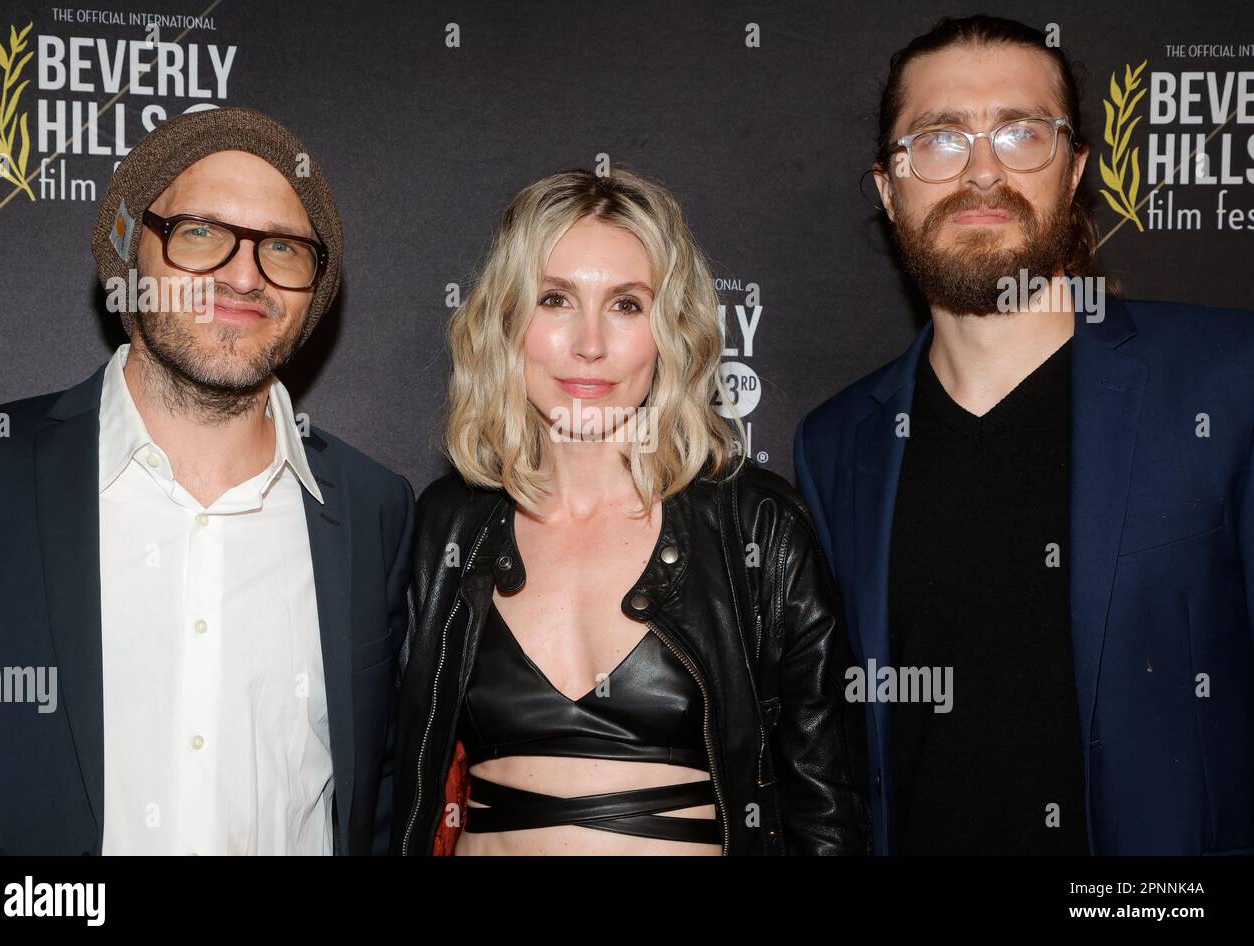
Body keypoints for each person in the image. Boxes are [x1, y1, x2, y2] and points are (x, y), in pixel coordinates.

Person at [794, 15, 1254, 855]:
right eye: (937, 139)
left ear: (1076, 170)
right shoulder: (836, 447)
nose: (981, 171)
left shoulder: (1228, 379)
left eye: (1019, 133)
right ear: (889, 189)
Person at [0, 107, 413, 855]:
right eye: (200, 232)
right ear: (132, 251)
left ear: (314, 291)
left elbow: (379, 792)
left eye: (284, 249)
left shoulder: (373, 511)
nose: (242, 274)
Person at [392, 167, 867, 855]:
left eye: (625, 305)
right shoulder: (450, 524)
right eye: (554, 299)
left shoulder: (756, 527)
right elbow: (404, 784)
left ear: (670, 331)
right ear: (506, 321)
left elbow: (825, 813)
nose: (590, 343)